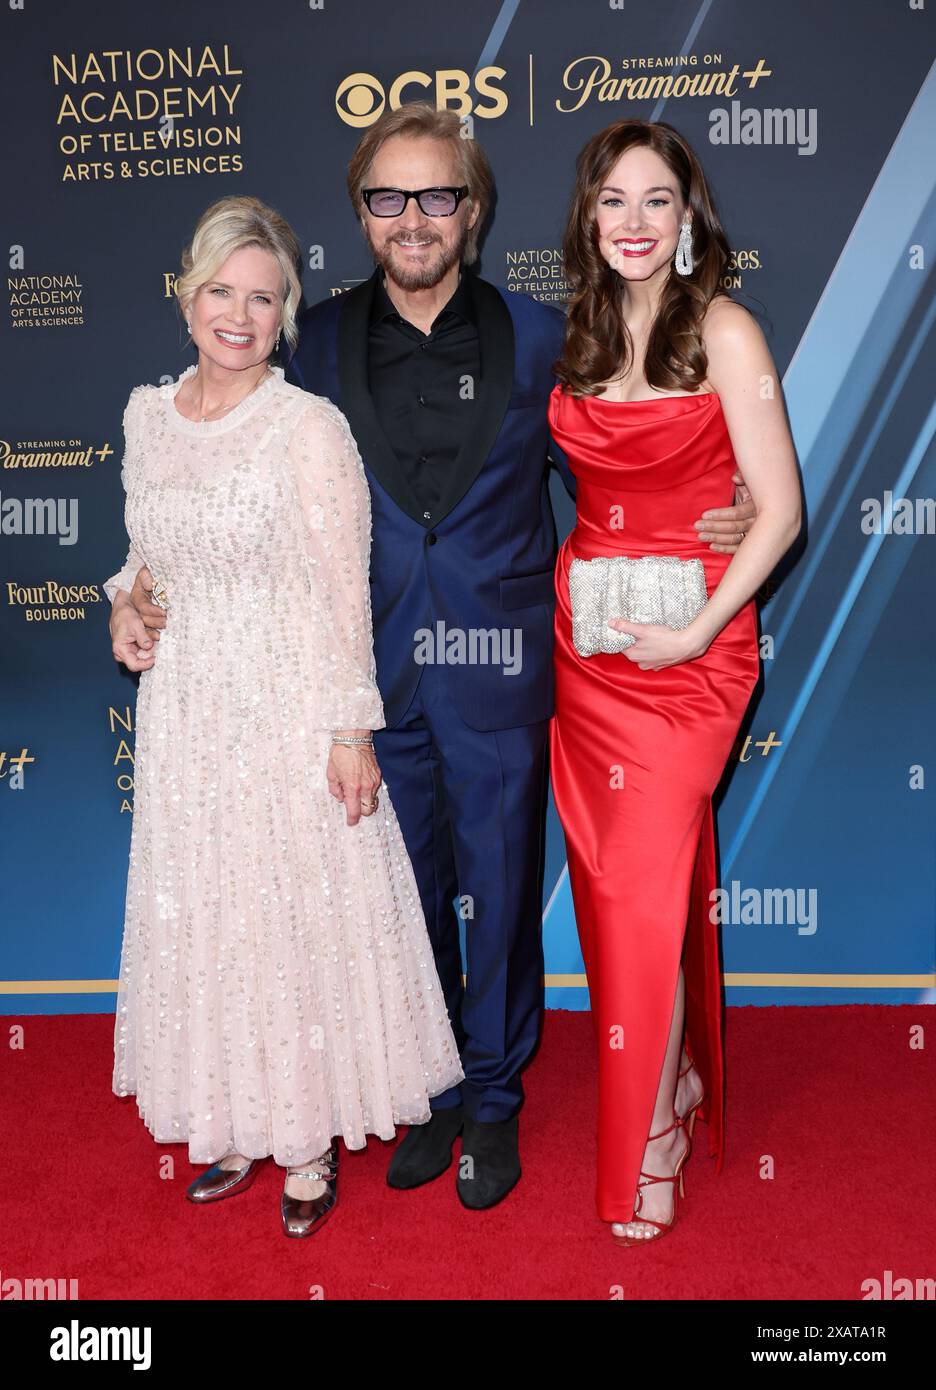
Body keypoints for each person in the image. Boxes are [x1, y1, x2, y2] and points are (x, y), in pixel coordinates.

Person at [121, 103, 757, 1211]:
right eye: (388, 198)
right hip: (359, 679)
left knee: (502, 896)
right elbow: (206, 479)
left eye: (437, 196)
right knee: (401, 896)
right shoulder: (304, 338)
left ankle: (499, 1099)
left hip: (502, 661)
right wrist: (135, 590)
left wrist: (730, 502)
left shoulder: (546, 333)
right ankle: (437, 1087)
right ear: (362, 213)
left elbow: (631, 448)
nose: (413, 218)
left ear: (472, 209)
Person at [103, 194, 463, 1238]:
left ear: (284, 314)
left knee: (286, 918)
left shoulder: (308, 427)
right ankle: (230, 1123)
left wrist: (351, 730)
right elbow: (145, 558)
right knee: (208, 916)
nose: (240, 314)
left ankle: (304, 1141)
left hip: (285, 707)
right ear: (186, 295)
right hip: (185, 717)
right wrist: (124, 606)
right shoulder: (145, 417)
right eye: (222, 290)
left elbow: (344, 591)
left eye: (263, 298)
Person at [548, 119, 801, 1244]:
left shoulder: (729, 329)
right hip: (592, 646)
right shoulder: (578, 333)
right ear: (588, 219)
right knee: (613, 893)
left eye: (657, 201)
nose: (635, 223)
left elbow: (779, 511)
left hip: (694, 655)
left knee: (643, 895)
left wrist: (699, 627)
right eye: (613, 201)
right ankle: (679, 1080)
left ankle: (650, 1137)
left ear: (690, 216)